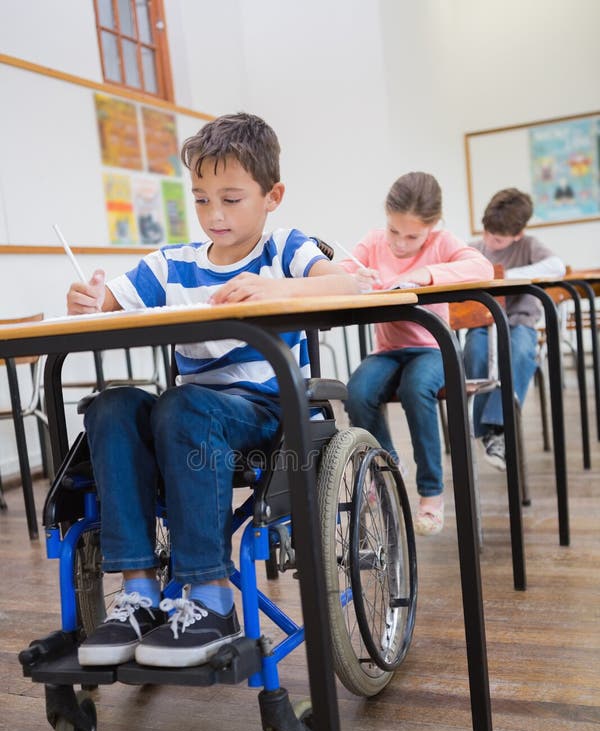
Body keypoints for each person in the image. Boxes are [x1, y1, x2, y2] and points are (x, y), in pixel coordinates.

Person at [66, 112, 357, 669]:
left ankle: (211, 598)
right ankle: (140, 593)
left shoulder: (284, 249)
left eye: (230, 198)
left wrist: (276, 289)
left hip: (265, 413)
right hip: (189, 415)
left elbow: (351, 283)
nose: (214, 215)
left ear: (272, 195)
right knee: (111, 406)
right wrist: (89, 298)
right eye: (201, 200)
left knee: (181, 404)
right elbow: (108, 305)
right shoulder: (171, 264)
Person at [340, 172, 494, 536]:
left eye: (412, 237)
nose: (400, 244)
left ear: (432, 227)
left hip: (432, 349)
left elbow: (481, 267)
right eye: (394, 231)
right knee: (357, 392)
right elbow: (339, 271)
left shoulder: (442, 243)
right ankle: (385, 467)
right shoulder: (374, 242)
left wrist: (425, 273)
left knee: (417, 388)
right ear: (386, 219)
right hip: (389, 351)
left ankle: (431, 495)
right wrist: (352, 279)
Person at [464, 188, 566, 470]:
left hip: (519, 321)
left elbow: (556, 267)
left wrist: (503, 276)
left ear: (517, 234)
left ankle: (497, 429)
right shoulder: (475, 248)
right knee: (475, 351)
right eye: (487, 233)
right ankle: (489, 432)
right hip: (483, 323)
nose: (489, 241)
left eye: (497, 238)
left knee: (522, 351)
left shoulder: (529, 246)